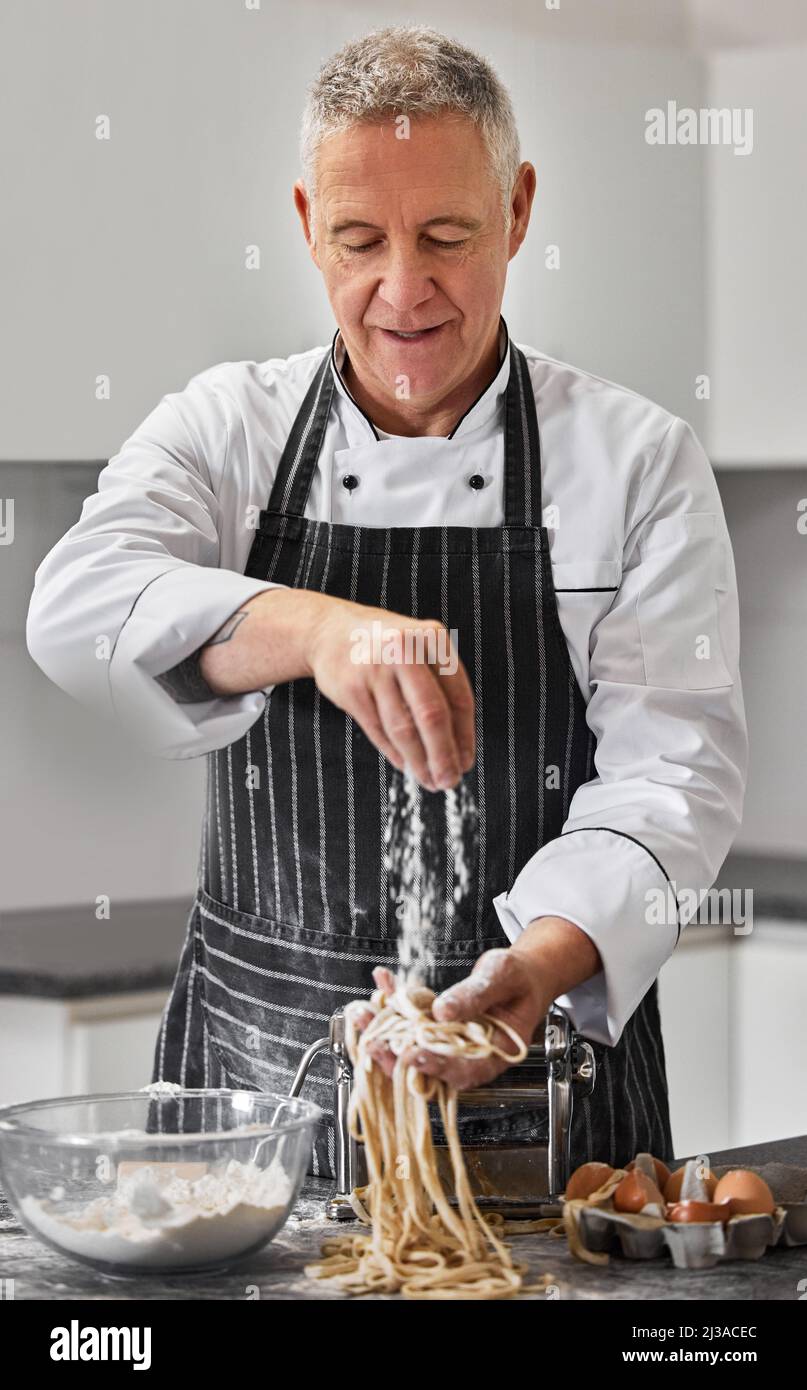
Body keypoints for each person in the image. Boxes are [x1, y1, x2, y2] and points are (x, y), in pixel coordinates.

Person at [26, 25, 747, 1177]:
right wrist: (318, 629)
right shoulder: (227, 430)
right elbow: (73, 607)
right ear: (308, 223)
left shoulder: (635, 461)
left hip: (540, 1079)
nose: (402, 291)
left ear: (517, 212)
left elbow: (674, 776)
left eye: (447, 236)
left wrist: (538, 968)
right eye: (359, 239)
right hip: (252, 1099)